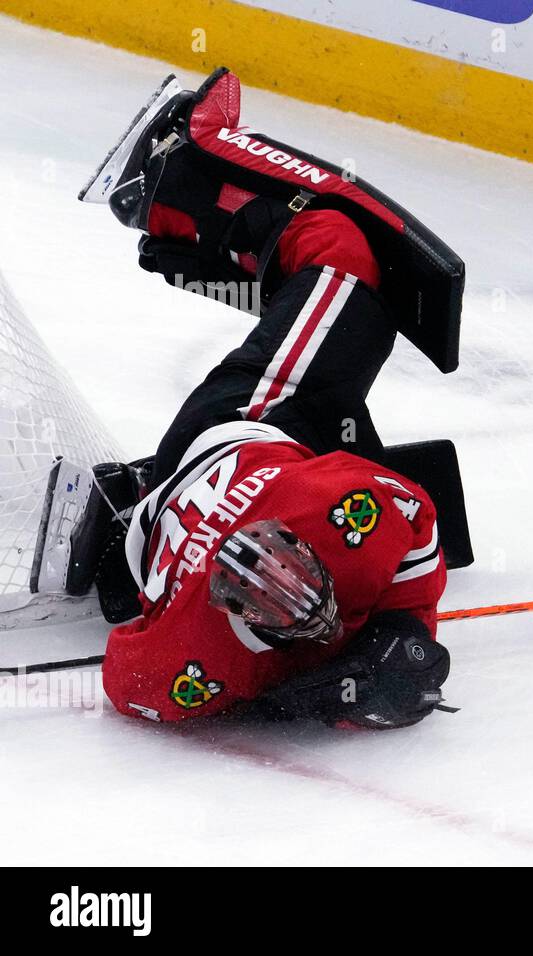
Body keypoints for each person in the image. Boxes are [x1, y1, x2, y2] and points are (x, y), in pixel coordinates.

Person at [80, 71, 453, 726]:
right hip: (184, 485)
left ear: (307, 545)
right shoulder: (189, 662)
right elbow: (126, 675)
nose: (324, 622)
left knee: (346, 262)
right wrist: (382, 651)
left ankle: (183, 184)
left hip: (244, 419)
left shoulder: (320, 512)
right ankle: (189, 186)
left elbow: (414, 515)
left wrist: (384, 639)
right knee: (343, 285)